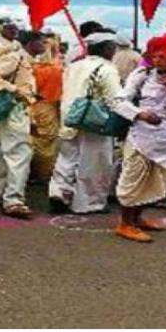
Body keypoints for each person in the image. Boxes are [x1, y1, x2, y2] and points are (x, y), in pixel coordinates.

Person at [111, 34, 166, 243]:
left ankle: (138, 218)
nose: (158, 61)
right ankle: (125, 223)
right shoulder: (141, 76)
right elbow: (118, 101)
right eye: (156, 56)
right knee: (133, 180)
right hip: (140, 138)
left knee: (155, 182)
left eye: (164, 57)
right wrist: (139, 114)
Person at [49, 30, 122, 214]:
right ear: (106, 48)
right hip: (94, 120)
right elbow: (115, 99)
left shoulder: (73, 66)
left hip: (69, 116)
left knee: (67, 158)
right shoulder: (106, 69)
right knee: (94, 162)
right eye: (113, 47)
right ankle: (89, 203)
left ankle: (59, 192)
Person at [0, 28, 39, 219]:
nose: (44, 46)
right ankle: (13, 200)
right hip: (14, 110)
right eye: (41, 42)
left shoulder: (25, 60)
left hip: (19, 111)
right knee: (19, 154)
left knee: (5, 154)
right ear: (31, 43)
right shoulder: (15, 58)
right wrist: (13, 89)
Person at [30, 32, 64, 184]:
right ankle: (44, 174)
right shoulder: (57, 70)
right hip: (48, 107)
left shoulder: (31, 68)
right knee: (47, 143)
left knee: (35, 140)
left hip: (32, 106)